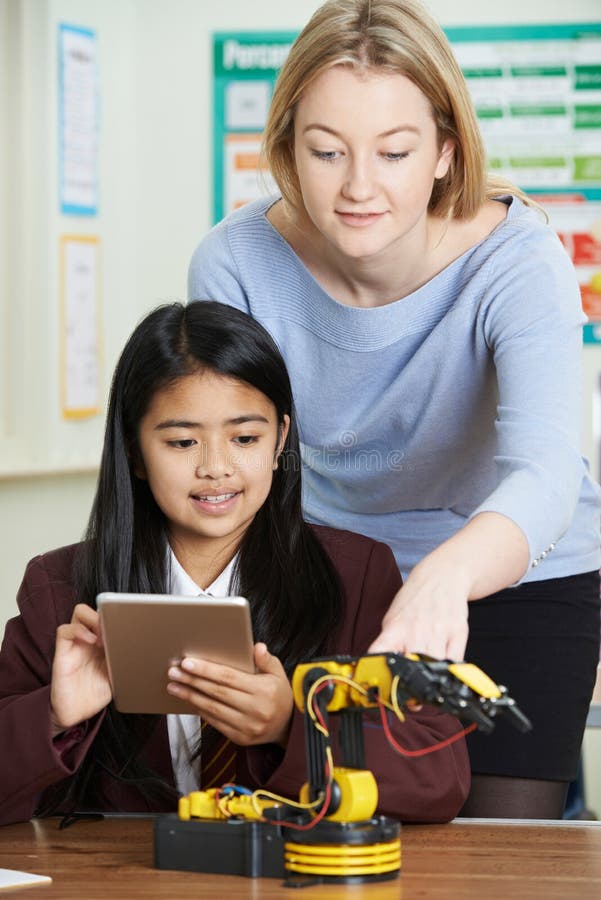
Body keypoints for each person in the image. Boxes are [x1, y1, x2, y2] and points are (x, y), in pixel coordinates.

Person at [188, 0, 601, 819]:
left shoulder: (515, 261)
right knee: (327, 821)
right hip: (326, 569)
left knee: (491, 850)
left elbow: (549, 468)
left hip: (513, 573)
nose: (358, 186)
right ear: (287, 152)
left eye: (394, 151)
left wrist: (444, 573)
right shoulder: (234, 262)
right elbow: (225, 460)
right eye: (326, 151)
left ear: (446, 152)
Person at [0, 300, 470, 827]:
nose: (216, 468)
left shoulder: (358, 575)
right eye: (182, 442)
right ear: (134, 450)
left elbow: (440, 779)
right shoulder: (59, 589)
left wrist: (291, 726)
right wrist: (55, 715)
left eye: (245, 438)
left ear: (280, 440)